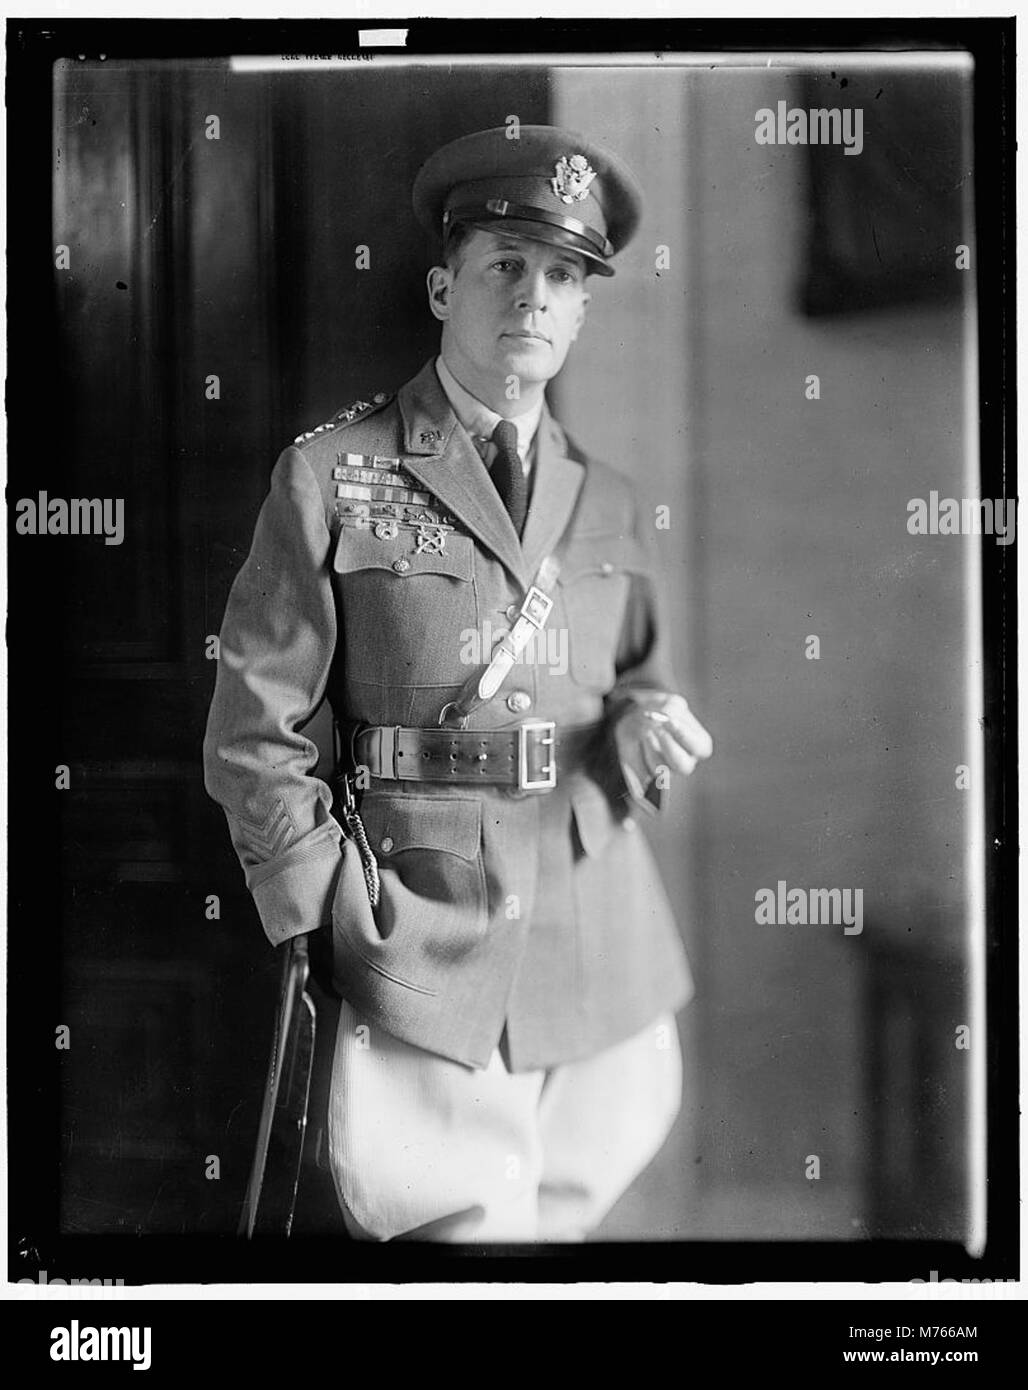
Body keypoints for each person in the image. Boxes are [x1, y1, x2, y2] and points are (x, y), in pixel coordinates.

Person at [203, 124, 713, 1242]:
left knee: (574, 1208)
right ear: (444, 288)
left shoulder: (608, 498)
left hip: (594, 921)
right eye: (504, 267)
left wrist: (640, 727)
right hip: (421, 916)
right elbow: (254, 729)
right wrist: (322, 906)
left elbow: (637, 678)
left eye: (562, 277)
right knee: (454, 1231)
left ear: (581, 311)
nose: (533, 298)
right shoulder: (330, 475)